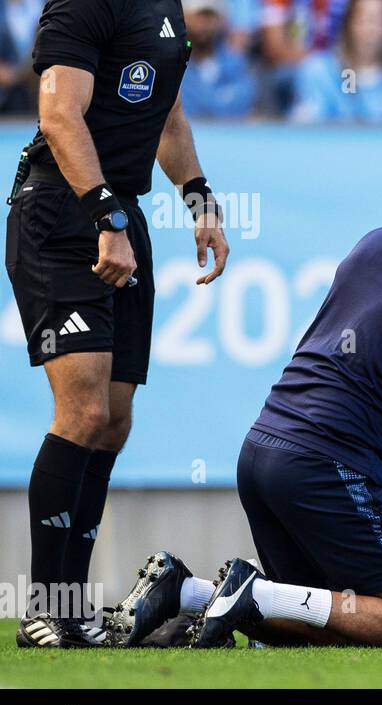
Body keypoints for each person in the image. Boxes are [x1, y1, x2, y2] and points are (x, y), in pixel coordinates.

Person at [102, 164, 382, 648]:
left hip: (261, 451)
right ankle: (248, 595)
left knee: (324, 621)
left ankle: (187, 592)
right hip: (332, 469)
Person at [7, 0, 230, 648]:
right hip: (61, 214)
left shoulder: (166, 10)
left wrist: (200, 199)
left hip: (122, 218)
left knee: (113, 418)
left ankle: (72, 610)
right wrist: (105, 216)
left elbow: (169, 116)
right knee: (80, 410)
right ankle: (45, 607)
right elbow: (57, 114)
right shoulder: (80, 5)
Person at [290, 0, 382, 122]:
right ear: (348, 23)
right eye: (364, 19)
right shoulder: (319, 72)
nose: (371, 29)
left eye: (380, 21)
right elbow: (306, 132)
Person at [179, 0, 257, 119]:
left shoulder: (234, 62)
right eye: (198, 17)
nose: (204, 25)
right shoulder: (176, 63)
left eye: (209, 17)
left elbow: (245, 97)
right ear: (185, 19)